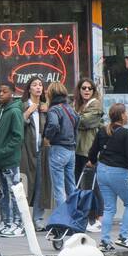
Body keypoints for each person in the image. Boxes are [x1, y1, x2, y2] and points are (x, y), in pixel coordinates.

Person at [90, 102, 128, 252]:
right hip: (119, 172)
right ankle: (124, 237)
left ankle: (105, 241)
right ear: (121, 116)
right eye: (126, 113)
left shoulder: (102, 131)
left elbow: (92, 153)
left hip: (102, 171)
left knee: (109, 208)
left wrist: (93, 162)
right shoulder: (126, 134)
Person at [0, 82, 25, 237]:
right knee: (3, 193)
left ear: (12, 93)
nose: (1, 94)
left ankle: (17, 224)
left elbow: (17, 137)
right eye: (0, 91)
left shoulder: (14, 111)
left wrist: (3, 152)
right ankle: (7, 221)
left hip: (9, 160)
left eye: (5, 92)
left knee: (13, 191)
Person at [42, 81, 78, 221]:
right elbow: (77, 124)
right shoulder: (70, 108)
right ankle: (74, 216)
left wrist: (47, 137)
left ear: (51, 94)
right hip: (71, 150)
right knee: (71, 185)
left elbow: (53, 124)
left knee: (58, 188)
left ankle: (63, 219)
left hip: (58, 149)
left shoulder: (54, 109)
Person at [72, 78, 104, 231]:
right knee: (82, 185)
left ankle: (99, 217)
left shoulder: (95, 104)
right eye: (83, 88)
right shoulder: (77, 105)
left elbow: (85, 122)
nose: (86, 91)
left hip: (89, 150)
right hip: (77, 150)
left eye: (89, 88)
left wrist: (70, 115)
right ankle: (87, 217)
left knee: (93, 184)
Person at [21, 77, 51, 214]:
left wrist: (48, 110)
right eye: (35, 85)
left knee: (41, 184)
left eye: (40, 85)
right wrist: (28, 111)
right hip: (26, 149)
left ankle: (38, 218)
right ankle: (24, 216)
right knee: (26, 183)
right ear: (29, 89)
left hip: (43, 149)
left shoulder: (46, 107)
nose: (38, 87)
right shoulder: (22, 105)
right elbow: (18, 124)